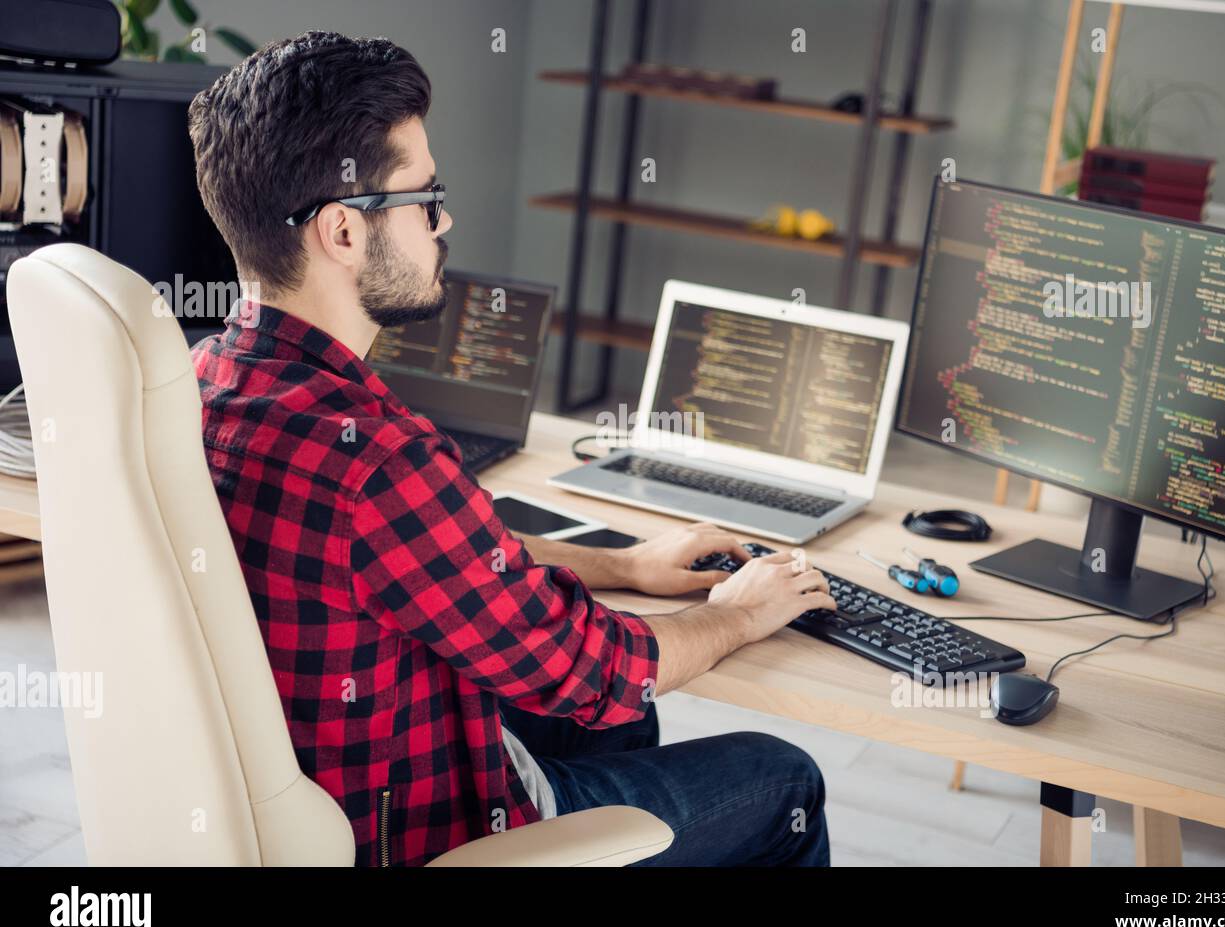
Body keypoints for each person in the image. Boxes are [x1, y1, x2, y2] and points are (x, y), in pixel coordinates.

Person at [187, 31, 835, 866]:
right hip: (418, 831)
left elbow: (435, 560)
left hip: (312, 783)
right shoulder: (382, 460)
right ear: (344, 233)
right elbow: (595, 669)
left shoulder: (207, 379)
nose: (445, 218)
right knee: (781, 778)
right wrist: (738, 614)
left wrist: (628, 565)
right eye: (423, 198)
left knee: (624, 724)